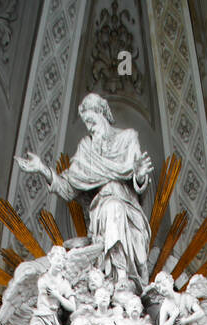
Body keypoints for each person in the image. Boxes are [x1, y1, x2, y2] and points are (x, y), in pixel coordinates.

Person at [16, 93, 153, 287]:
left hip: (127, 207)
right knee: (111, 208)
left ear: (102, 113)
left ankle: (122, 278)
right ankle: (115, 278)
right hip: (101, 211)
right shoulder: (86, 148)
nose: (89, 127)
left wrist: (139, 176)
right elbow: (68, 188)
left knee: (115, 207)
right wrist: (42, 169)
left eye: (91, 121)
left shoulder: (128, 138)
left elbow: (139, 184)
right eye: (86, 123)